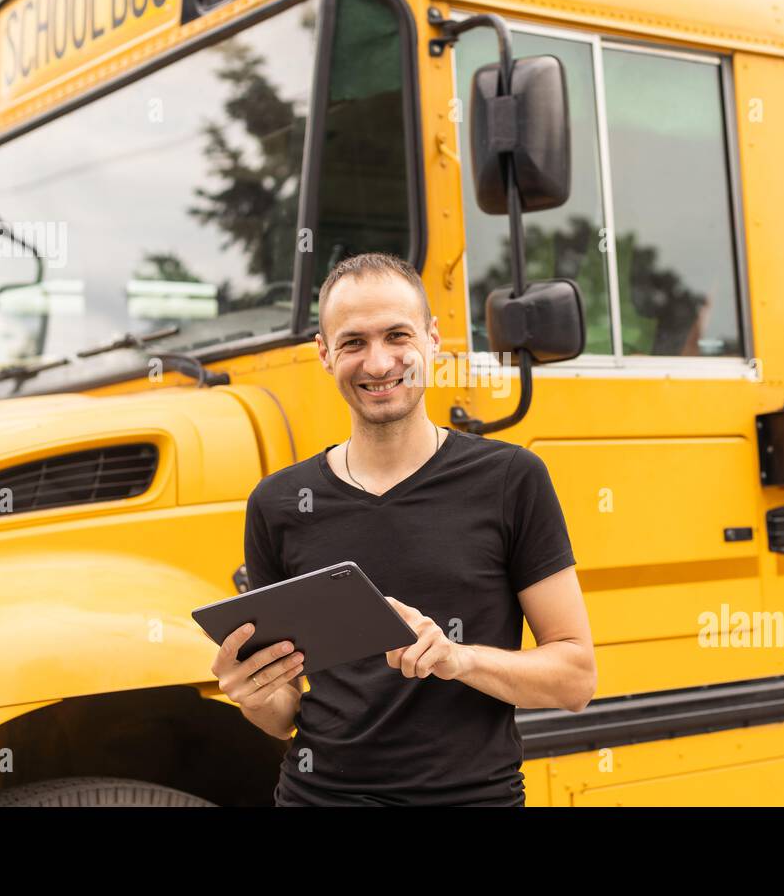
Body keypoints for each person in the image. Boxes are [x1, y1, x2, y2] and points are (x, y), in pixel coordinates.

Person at [209, 252, 596, 805]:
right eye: (353, 343)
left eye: (397, 335)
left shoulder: (511, 479)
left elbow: (576, 678)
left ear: (433, 340)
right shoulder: (277, 504)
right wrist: (252, 694)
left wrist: (458, 659)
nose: (379, 362)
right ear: (324, 354)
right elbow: (285, 714)